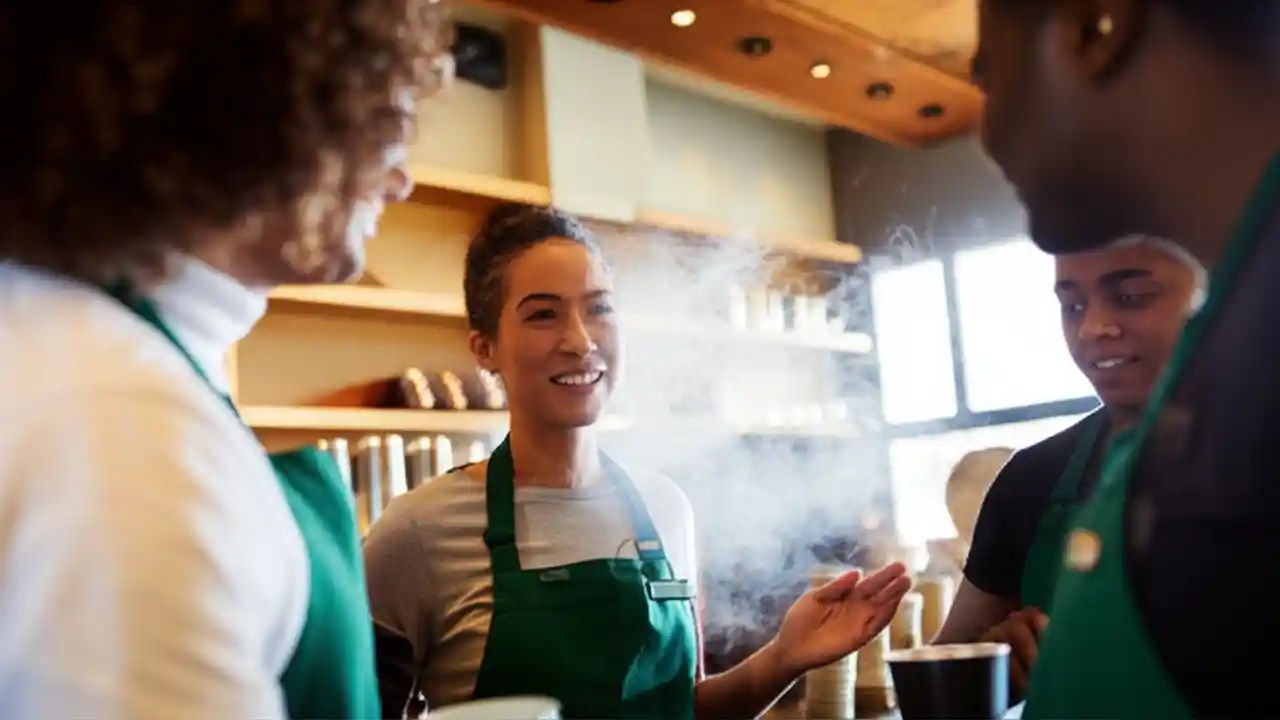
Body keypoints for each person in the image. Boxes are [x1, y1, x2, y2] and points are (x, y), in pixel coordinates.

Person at [0, 3, 448, 718]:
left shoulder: (79, 339)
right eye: (385, 126)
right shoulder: (124, 421)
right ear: (260, 102)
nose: (400, 181)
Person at [363, 203, 911, 719]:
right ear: (485, 349)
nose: (580, 341)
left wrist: (784, 658)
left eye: (598, 309)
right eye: (543, 315)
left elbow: (684, 707)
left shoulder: (664, 509)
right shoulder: (418, 532)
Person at [972, 0, 1280, 716]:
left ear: (1096, 26)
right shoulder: (1225, 357)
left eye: (989, 74)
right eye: (1071, 304)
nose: (987, 134)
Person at [934, 238, 1201, 699]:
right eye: (1072, 305)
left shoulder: (1255, 463)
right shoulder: (1032, 480)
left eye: (1131, 297)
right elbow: (941, 683)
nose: (1092, 328)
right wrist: (993, 670)